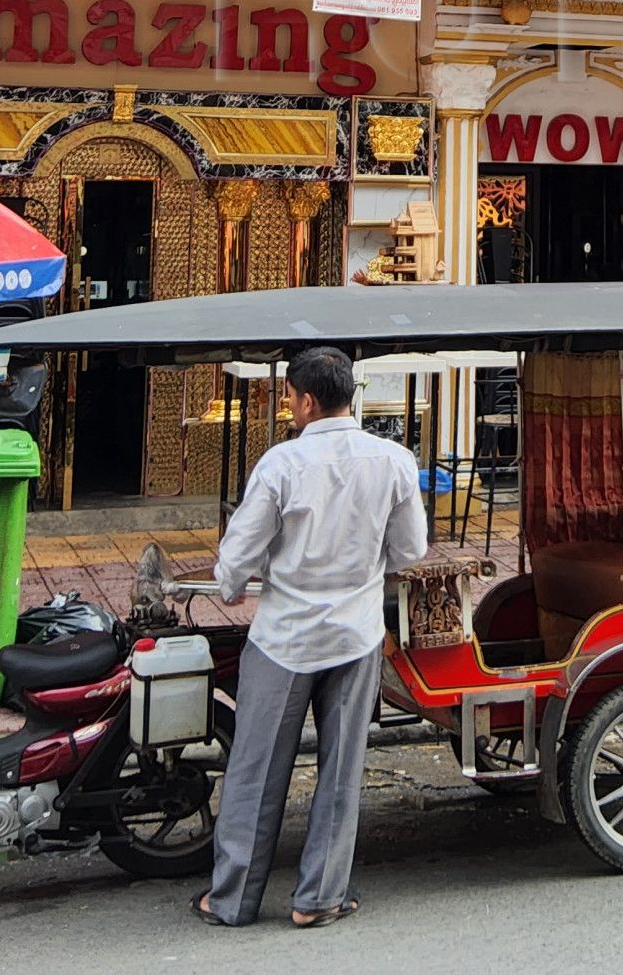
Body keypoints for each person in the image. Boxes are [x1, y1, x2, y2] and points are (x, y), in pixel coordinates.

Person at [197, 345, 426, 930]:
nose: (289, 408)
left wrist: (228, 587)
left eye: (290, 399)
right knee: (342, 767)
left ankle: (231, 899)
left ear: (306, 400)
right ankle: (318, 897)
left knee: (256, 768)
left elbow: (237, 558)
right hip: (355, 635)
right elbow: (411, 551)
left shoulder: (281, 466)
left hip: (284, 640)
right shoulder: (394, 461)